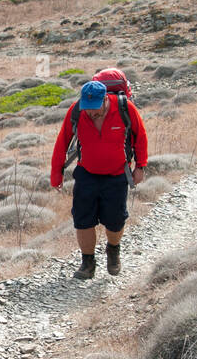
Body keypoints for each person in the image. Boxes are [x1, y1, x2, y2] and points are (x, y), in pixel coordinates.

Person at [49, 68, 148, 279]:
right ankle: (88, 263)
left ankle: (113, 249)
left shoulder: (125, 109)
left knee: (115, 221)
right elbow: (62, 141)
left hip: (117, 175)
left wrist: (140, 166)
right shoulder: (77, 111)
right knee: (83, 220)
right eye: (88, 109)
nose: (91, 113)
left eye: (95, 109)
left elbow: (140, 136)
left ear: (106, 100)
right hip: (87, 174)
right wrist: (56, 174)